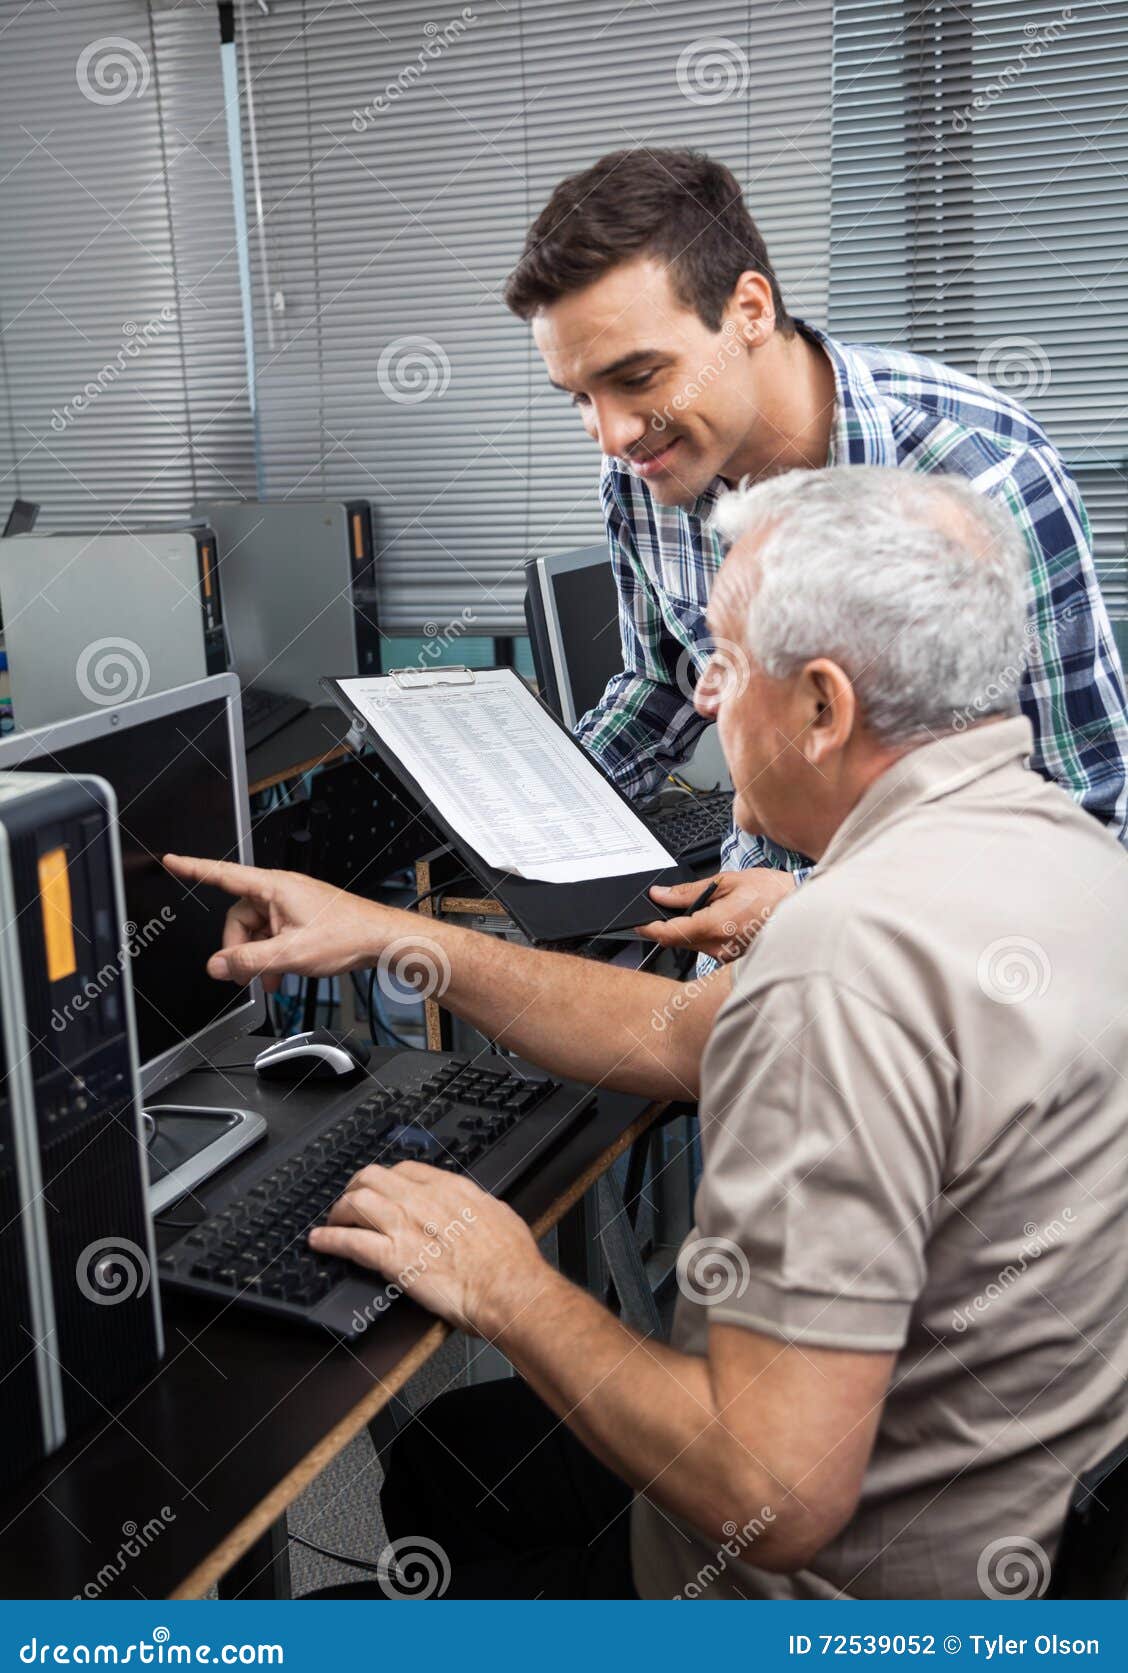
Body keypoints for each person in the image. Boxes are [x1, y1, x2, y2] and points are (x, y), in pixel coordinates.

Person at [165, 469, 1128, 1599]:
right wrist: (388, 934)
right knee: (454, 1454)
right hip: (1002, 1519)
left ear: (824, 706)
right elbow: (676, 1037)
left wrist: (504, 1286)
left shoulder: (846, 962)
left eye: (723, 660)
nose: (706, 696)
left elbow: (767, 1490)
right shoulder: (1061, 846)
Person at [502, 148, 1128, 964]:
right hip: (747, 955)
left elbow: (1089, 815)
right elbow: (661, 681)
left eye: (640, 377)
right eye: (581, 398)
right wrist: (542, 817)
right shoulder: (642, 478)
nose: (615, 434)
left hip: (947, 968)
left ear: (751, 310)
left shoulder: (987, 478)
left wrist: (809, 900)